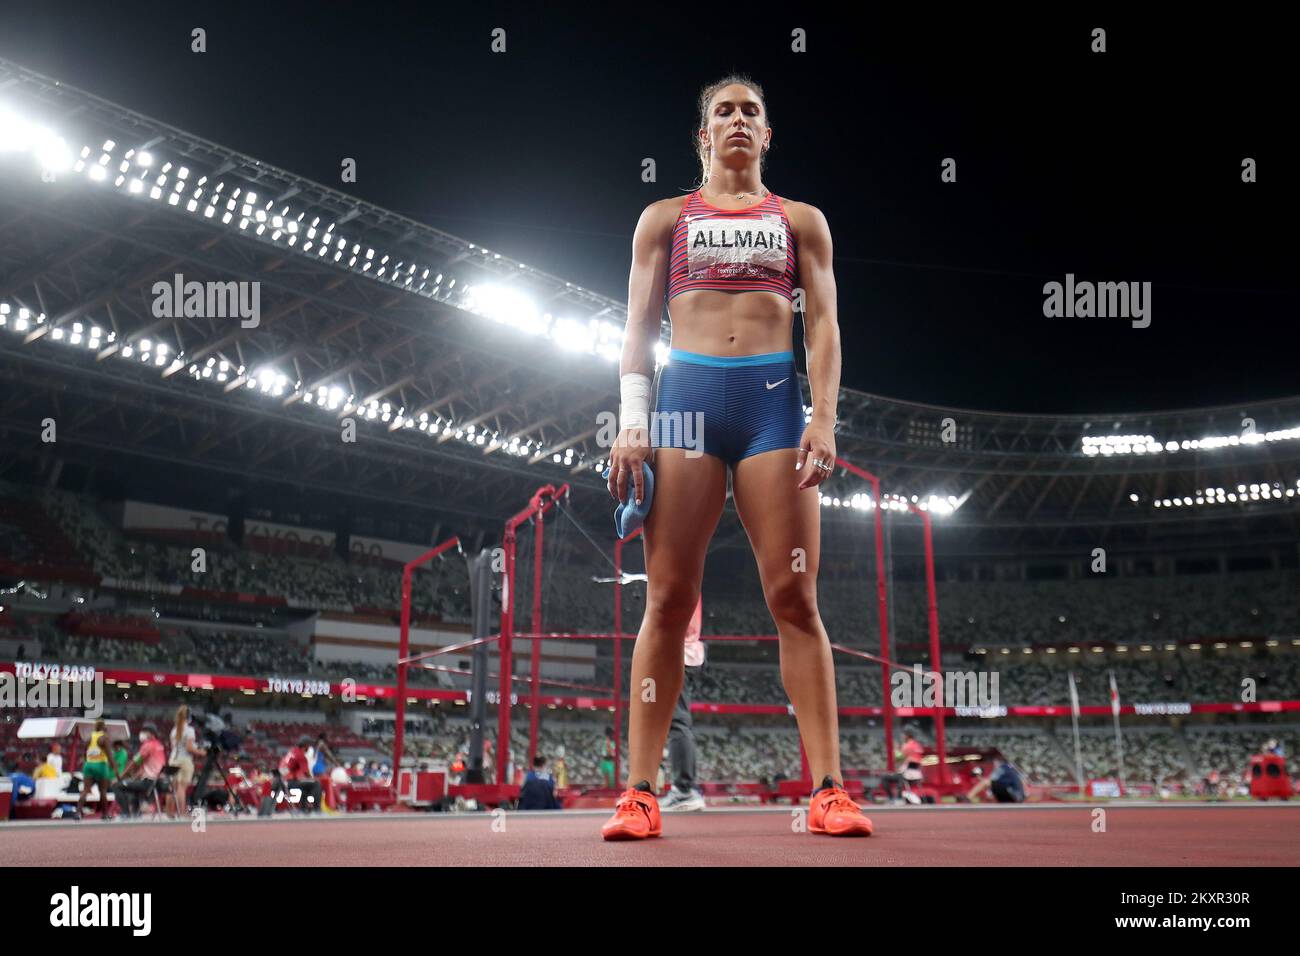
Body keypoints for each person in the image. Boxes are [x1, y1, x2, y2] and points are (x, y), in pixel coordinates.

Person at [602, 75, 871, 841]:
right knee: (666, 599)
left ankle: (828, 790)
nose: (739, 120)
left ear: (768, 134)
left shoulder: (802, 221)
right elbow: (637, 327)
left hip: (771, 407)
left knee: (794, 598)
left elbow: (823, 328)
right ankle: (641, 793)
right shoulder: (663, 218)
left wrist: (824, 417)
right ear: (703, 136)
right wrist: (632, 421)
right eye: (725, 111)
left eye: (752, 110)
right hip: (686, 399)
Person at [662, 596, 707, 812]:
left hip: (678, 651)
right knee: (677, 721)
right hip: (685, 651)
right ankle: (684, 789)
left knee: (677, 721)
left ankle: (684, 790)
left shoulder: (680, 568)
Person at [113, 722, 167, 818]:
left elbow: (134, 763)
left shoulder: (148, 745)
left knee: (117, 786)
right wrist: (133, 778)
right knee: (133, 784)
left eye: (144, 731)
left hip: (149, 783)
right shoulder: (159, 745)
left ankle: (126, 814)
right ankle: (136, 813)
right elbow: (145, 768)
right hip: (159, 782)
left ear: (151, 733)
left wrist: (120, 778)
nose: (142, 733)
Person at [169, 704, 204, 817]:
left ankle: (170, 812)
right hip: (184, 760)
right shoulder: (189, 730)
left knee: (173, 787)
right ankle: (182, 812)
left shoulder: (174, 730)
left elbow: (173, 746)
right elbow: (189, 748)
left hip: (173, 759)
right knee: (182, 788)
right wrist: (201, 752)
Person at [77, 718, 114, 818]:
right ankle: (105, 814)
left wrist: (87, 761)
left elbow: (84, 752)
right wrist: (115, 770)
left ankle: (78, 813)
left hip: (88, 765)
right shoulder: (104, 738)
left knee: (85, 790)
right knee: (102, 791)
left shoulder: (90, 738)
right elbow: (110, 756)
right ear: (104, 727)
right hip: (101, 765)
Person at [277, 735, 322, 813]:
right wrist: (313, 778)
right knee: (316, 784)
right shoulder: (301, 755)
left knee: (305, 785)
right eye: (309, 745)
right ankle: (317, 809)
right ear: (306, 745)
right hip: (289, 782)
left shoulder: (292, 751)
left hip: (282, 780)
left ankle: (303, 808)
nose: (310, 747)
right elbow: (306, 773)